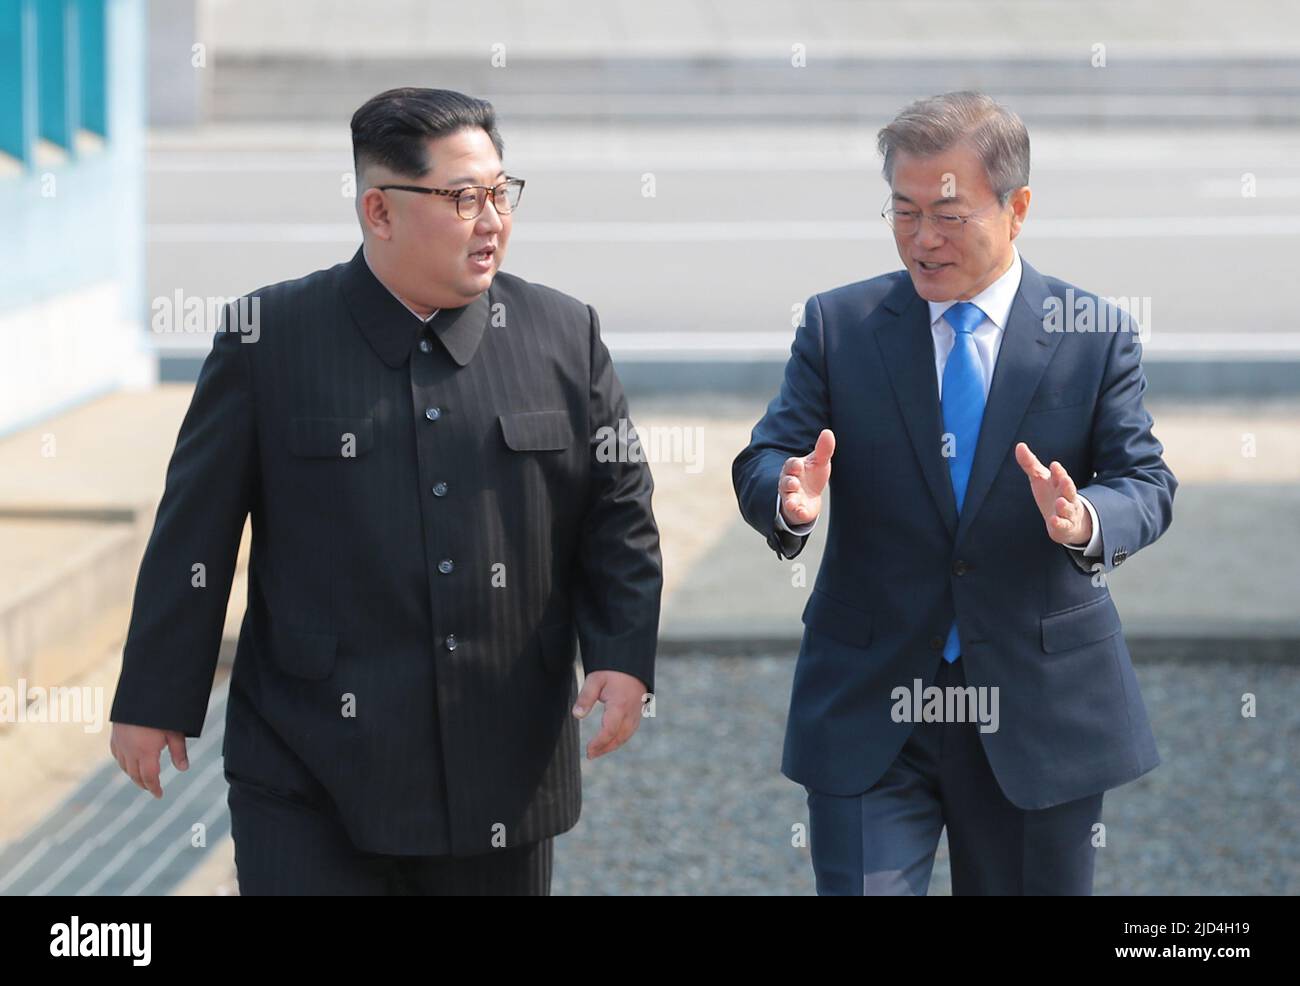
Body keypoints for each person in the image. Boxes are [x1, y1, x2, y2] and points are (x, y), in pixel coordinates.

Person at [108, 87, 662, 895]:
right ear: (379, 209)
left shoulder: (561, 334)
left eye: (500, 192)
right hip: (309, 766)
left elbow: (617, 514)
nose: (492, 219)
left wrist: (621, 654)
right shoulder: (270, 339)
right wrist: (155, 695)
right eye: (463, 197)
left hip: (502, 763)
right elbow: (195, 530)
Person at [732, 91, 1176, 895]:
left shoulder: (1093, 331)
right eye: (902, 212)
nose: (922, 239)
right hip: (873, 697)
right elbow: (768, 454)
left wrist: (1085, 521)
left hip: (1038, 704)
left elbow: (1147, 482)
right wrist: (787, 499)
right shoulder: (841, 324)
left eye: (948, 214)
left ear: (1018, 208)